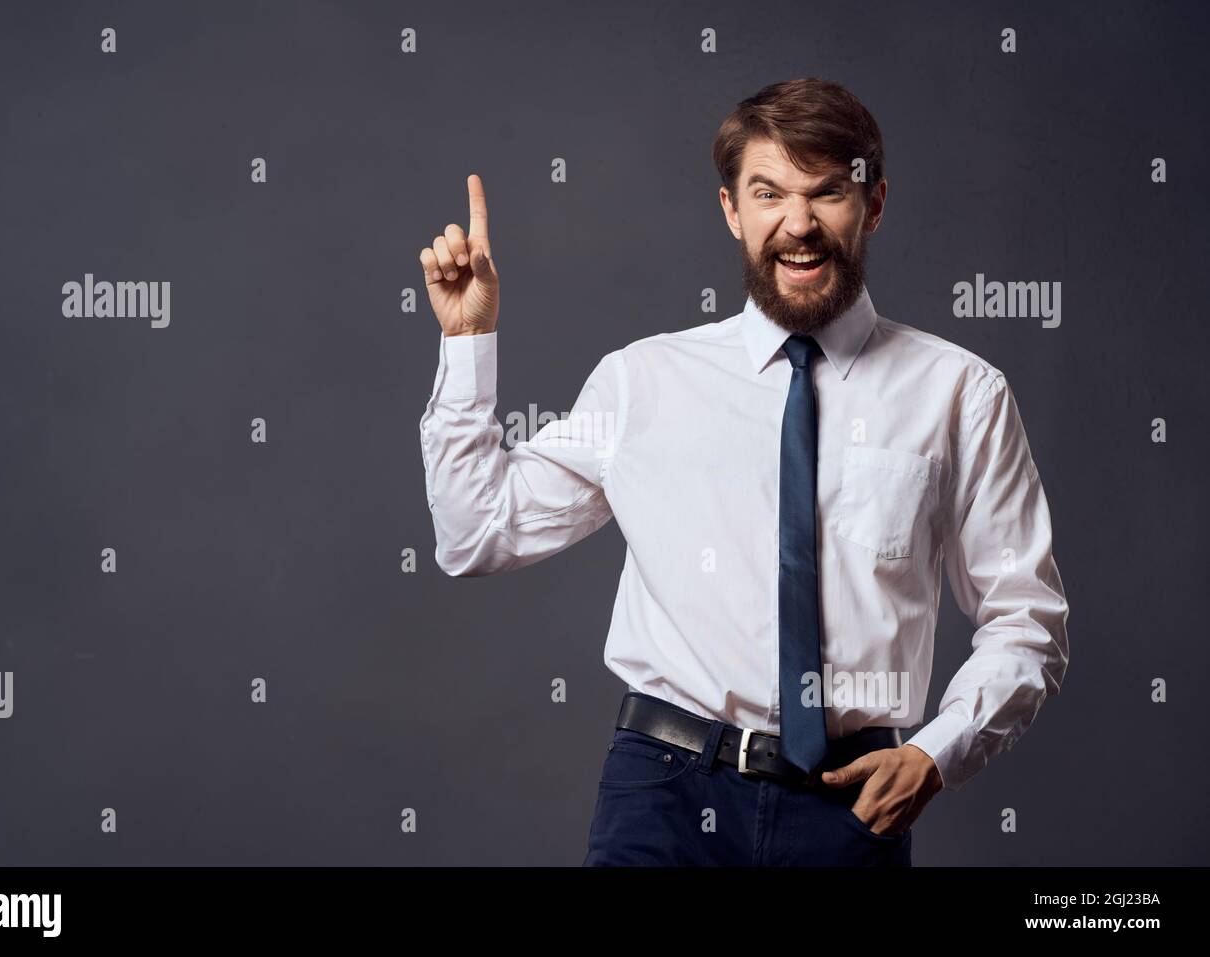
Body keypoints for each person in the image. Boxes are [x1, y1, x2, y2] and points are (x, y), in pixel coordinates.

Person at [416, 77, 1070, 866]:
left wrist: (936, 752)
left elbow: (1026, 620)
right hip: (662, 796)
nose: (798, 224)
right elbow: (475, 533)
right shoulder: (643, 381)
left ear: (875, 203)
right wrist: (466, 343)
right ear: (732, 210)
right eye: (769, 192)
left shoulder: (961, 393)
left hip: (851, 808)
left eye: (828, 191)